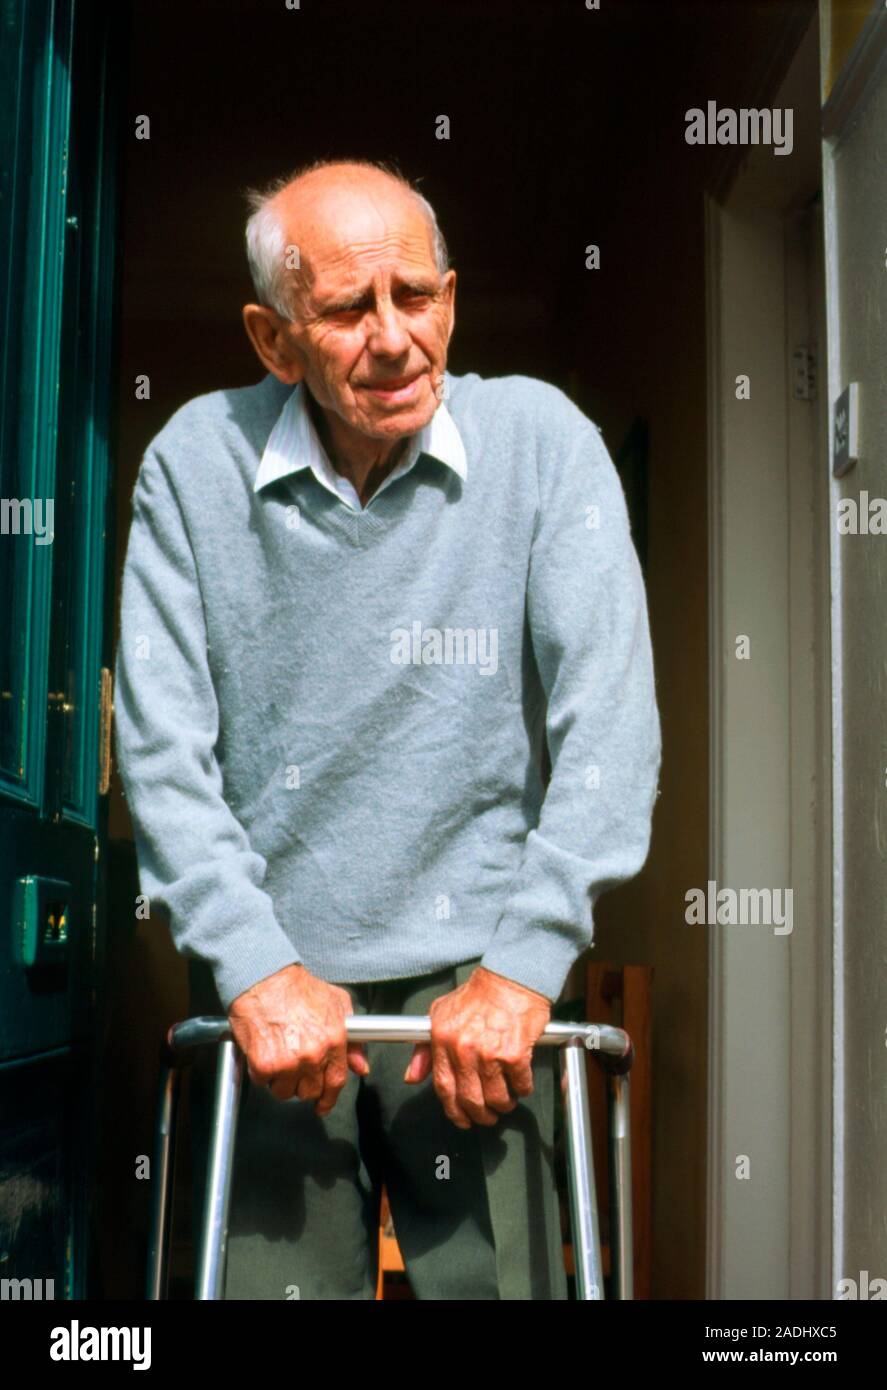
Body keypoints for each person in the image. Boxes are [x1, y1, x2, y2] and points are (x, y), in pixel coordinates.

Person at [114, 158, 661, 1299]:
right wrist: (252, 966)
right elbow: (163, 750)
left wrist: (522, 969)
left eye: (414, 297)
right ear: (272, 341)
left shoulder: (541, 444)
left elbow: (606, 722)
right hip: (275, 980)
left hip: (480, 987)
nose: (393, 338)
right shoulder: (193, 465)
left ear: (450, 299)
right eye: (347, 310)